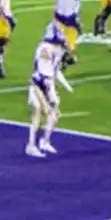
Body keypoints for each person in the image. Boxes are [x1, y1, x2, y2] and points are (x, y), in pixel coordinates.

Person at [26, 25, 72, 157]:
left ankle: (45, 141)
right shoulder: (46, 49)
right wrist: (44, 101)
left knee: (54, 113)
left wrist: (67, 85)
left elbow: (55, 70)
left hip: (47, 83)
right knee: (38, 112)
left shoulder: (55, 50)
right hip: (38, 83)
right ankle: (31, 145)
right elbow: (38, 78)